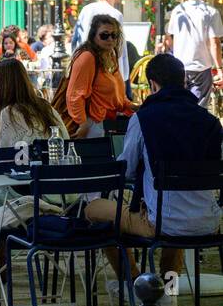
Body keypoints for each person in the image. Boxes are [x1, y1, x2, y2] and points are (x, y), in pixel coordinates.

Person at [86, 54, 222, 282]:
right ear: (183, 82)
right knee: (171, 208)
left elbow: (125, 171)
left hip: (162, 221)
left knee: (94, 210)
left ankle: (138, 286)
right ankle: (169, 290)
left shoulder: (143, 119)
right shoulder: (210, 121)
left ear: (153, 85)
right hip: (208, 220)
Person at [65, 14, 134, 138]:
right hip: (92, 124)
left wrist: (132, 106)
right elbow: (74, 96)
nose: (110, 39)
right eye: (104, 35)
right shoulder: (88, 57)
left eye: (114, 35)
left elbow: (117, 95)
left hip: (106, 123)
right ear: (93, 36)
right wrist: (83, 124)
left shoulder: (110, 56)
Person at [164, 0, 222, 107]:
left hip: (179, 67)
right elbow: (215, 43)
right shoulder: (211, 12)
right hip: (201, 68)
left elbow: (169, 38)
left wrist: (178, 53)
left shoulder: (178, 10)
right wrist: (219, 69)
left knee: (179, 107)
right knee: (198, 109)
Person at [0, 57, 65, 148]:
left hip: (28, 160)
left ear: (2, 85)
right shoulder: (44, 105)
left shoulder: (9, 112)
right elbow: (65, 137)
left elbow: (4, 153)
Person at [72, 0, 129, 80]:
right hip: (108, 67)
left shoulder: (86, 9)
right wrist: (123, 75)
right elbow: (120, 45)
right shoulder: (116, 14)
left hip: (85, 64)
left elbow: (75, 39)